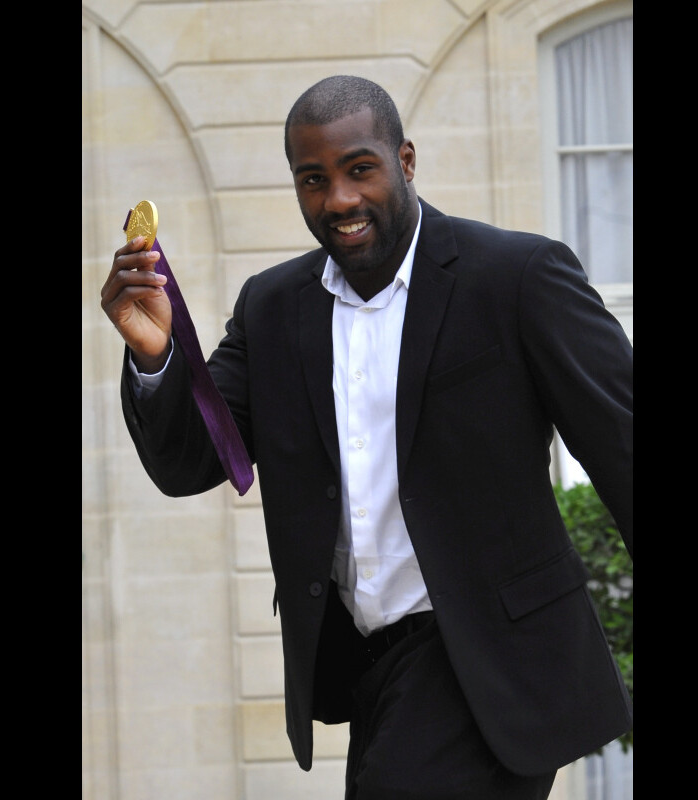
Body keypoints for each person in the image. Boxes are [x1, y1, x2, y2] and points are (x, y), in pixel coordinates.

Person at [100, 75, 633, 800]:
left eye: (360, 169)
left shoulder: (516, 278)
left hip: (490, 657)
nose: (339, 200)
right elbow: (194, 460)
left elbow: (623, 440)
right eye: (313, 180)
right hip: (366, 671)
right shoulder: (272, 308)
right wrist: (155, 357)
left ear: (405, 162)